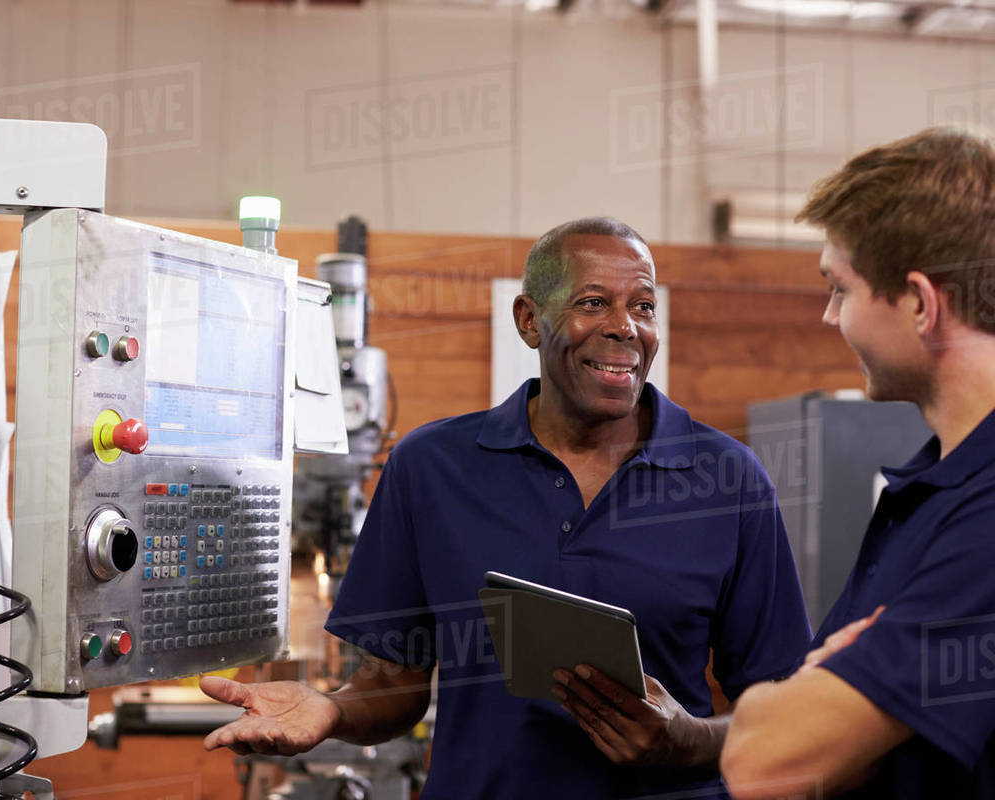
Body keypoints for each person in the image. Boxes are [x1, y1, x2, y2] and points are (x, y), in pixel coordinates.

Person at [202, 217, 811, 798]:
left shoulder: (727, 479)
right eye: (593, 302)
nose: (626, 326)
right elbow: (395, 684)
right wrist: (331, 708)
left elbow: (787, 712)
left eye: (643, 306)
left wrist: (688, 741)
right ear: (529, 320)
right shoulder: (432, 467)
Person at [721, 126, 995, 799]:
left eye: (839, 289)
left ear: (921, 305)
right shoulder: (931, 486)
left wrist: (806, 698)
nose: (827, 315)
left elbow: (765, 760)